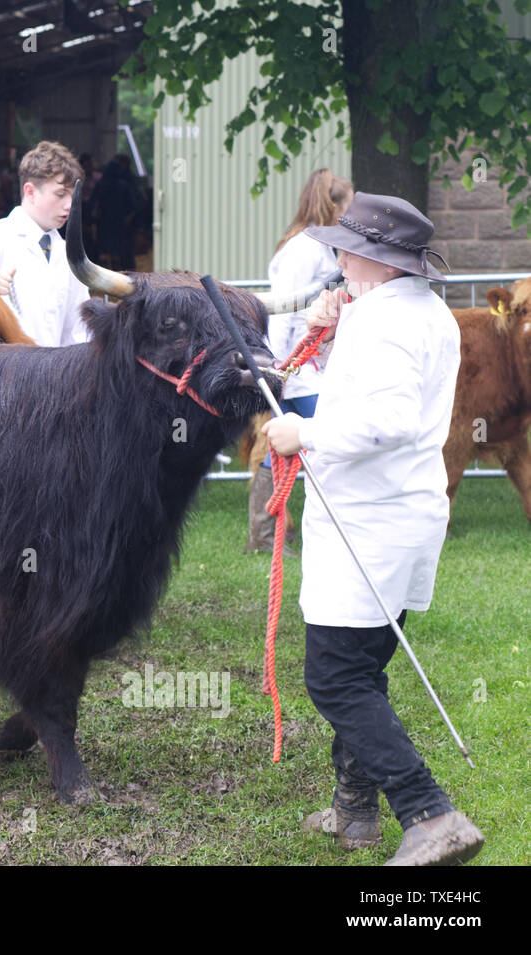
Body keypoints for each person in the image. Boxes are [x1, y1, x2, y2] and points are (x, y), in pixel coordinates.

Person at [262, 193, 484, 866]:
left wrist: (303, 430)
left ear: (374, 259)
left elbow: (382, 421)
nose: (337, 261)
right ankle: (353, 811)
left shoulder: (384, 322)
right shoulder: (419, 311)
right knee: (362, 670)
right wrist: (334, 322)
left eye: (345, 250)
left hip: (371, 523)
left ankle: (430, 812)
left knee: (335, 679)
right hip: (402, 516)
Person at [246, 169, 352, 553]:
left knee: (290, 449)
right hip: (295, 369)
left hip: (305, 367)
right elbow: (283, 312)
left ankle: (269, 534)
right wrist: (283, 368)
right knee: (323, 445)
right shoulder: (303, 249)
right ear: (333, 205)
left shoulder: (320, 247)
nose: (349, 215)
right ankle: (268, 535)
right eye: (347, 207)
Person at [0, 141, 92, 347]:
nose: (69, 205)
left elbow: (79, 331)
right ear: (30, 191)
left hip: (53, 374)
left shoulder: (70, 254)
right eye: (61, 194)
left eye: (73, 196)